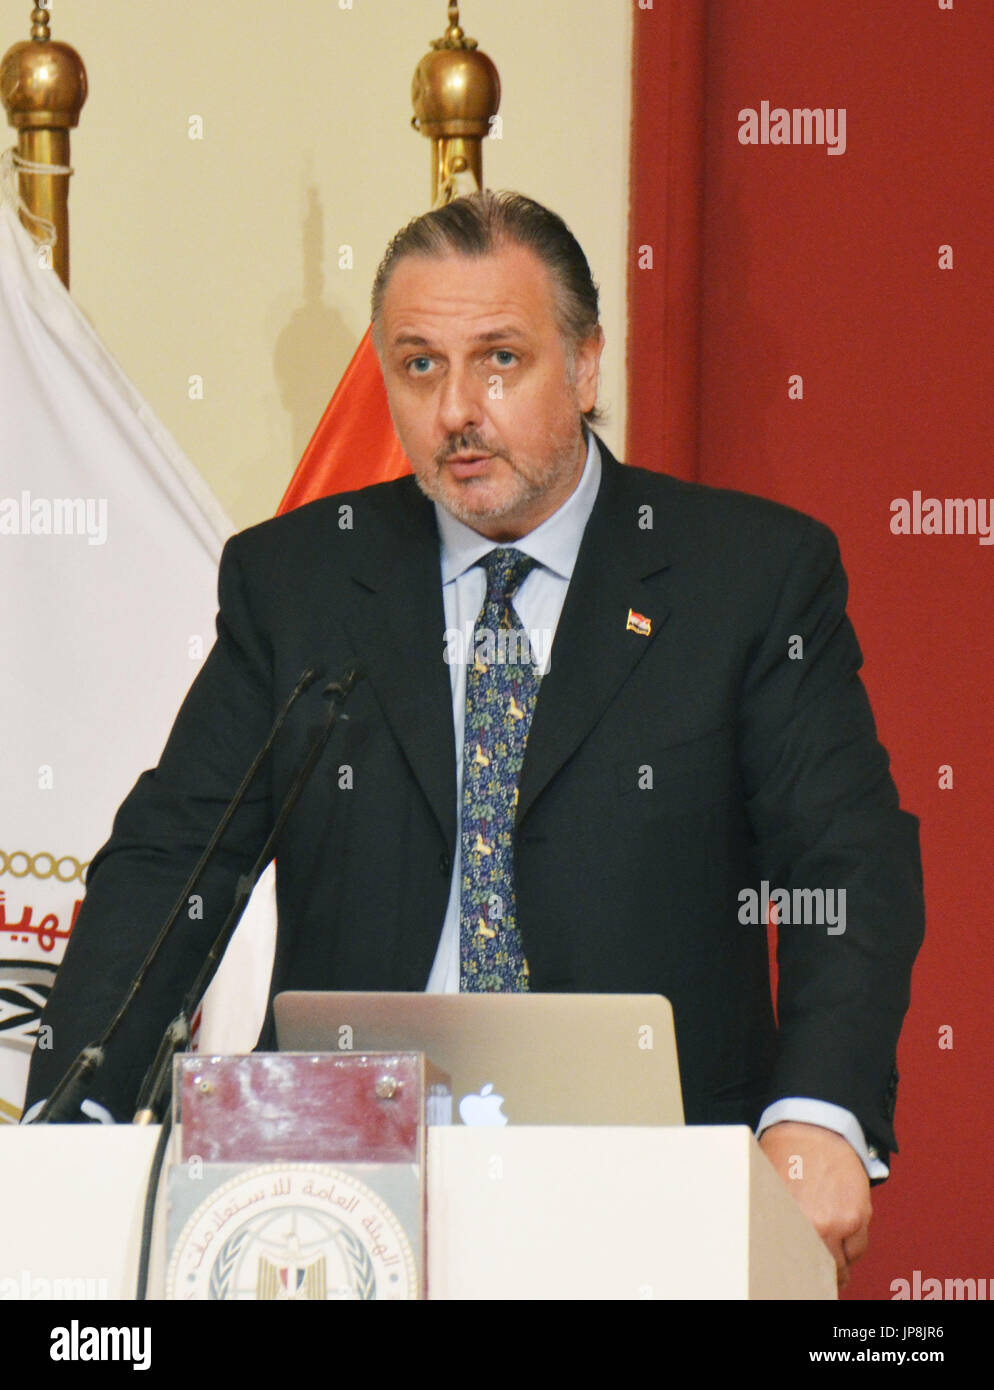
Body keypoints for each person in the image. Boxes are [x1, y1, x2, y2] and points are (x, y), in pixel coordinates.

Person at [25, 191, 924, 1287]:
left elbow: (848, 860)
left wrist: (818, 1111)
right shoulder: (301, 583)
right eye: (417, 365)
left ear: (586, 368)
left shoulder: (746, 577)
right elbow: (176, 859)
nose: (457, 408)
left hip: (654, 1178)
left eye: (500, 359)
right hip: (337, 1187)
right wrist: (77, 1111)